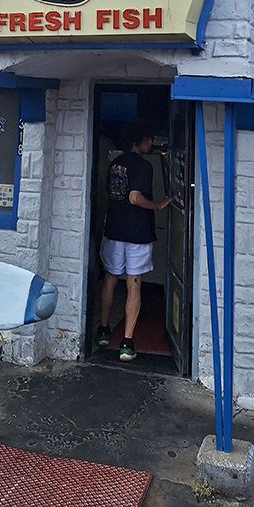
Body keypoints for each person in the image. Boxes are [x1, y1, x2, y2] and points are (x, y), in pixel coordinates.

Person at [97, 122, 171, 361]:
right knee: (134, 283)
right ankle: (127, 342)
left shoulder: (114, 164)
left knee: (110, 278)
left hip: (114, 228)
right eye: (148, 139)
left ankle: (103, 330)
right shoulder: (144, 166)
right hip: (137, 232)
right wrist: (158, 205)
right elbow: (135, 198)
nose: (151, 143)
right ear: (139, 140)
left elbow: (110, 196)